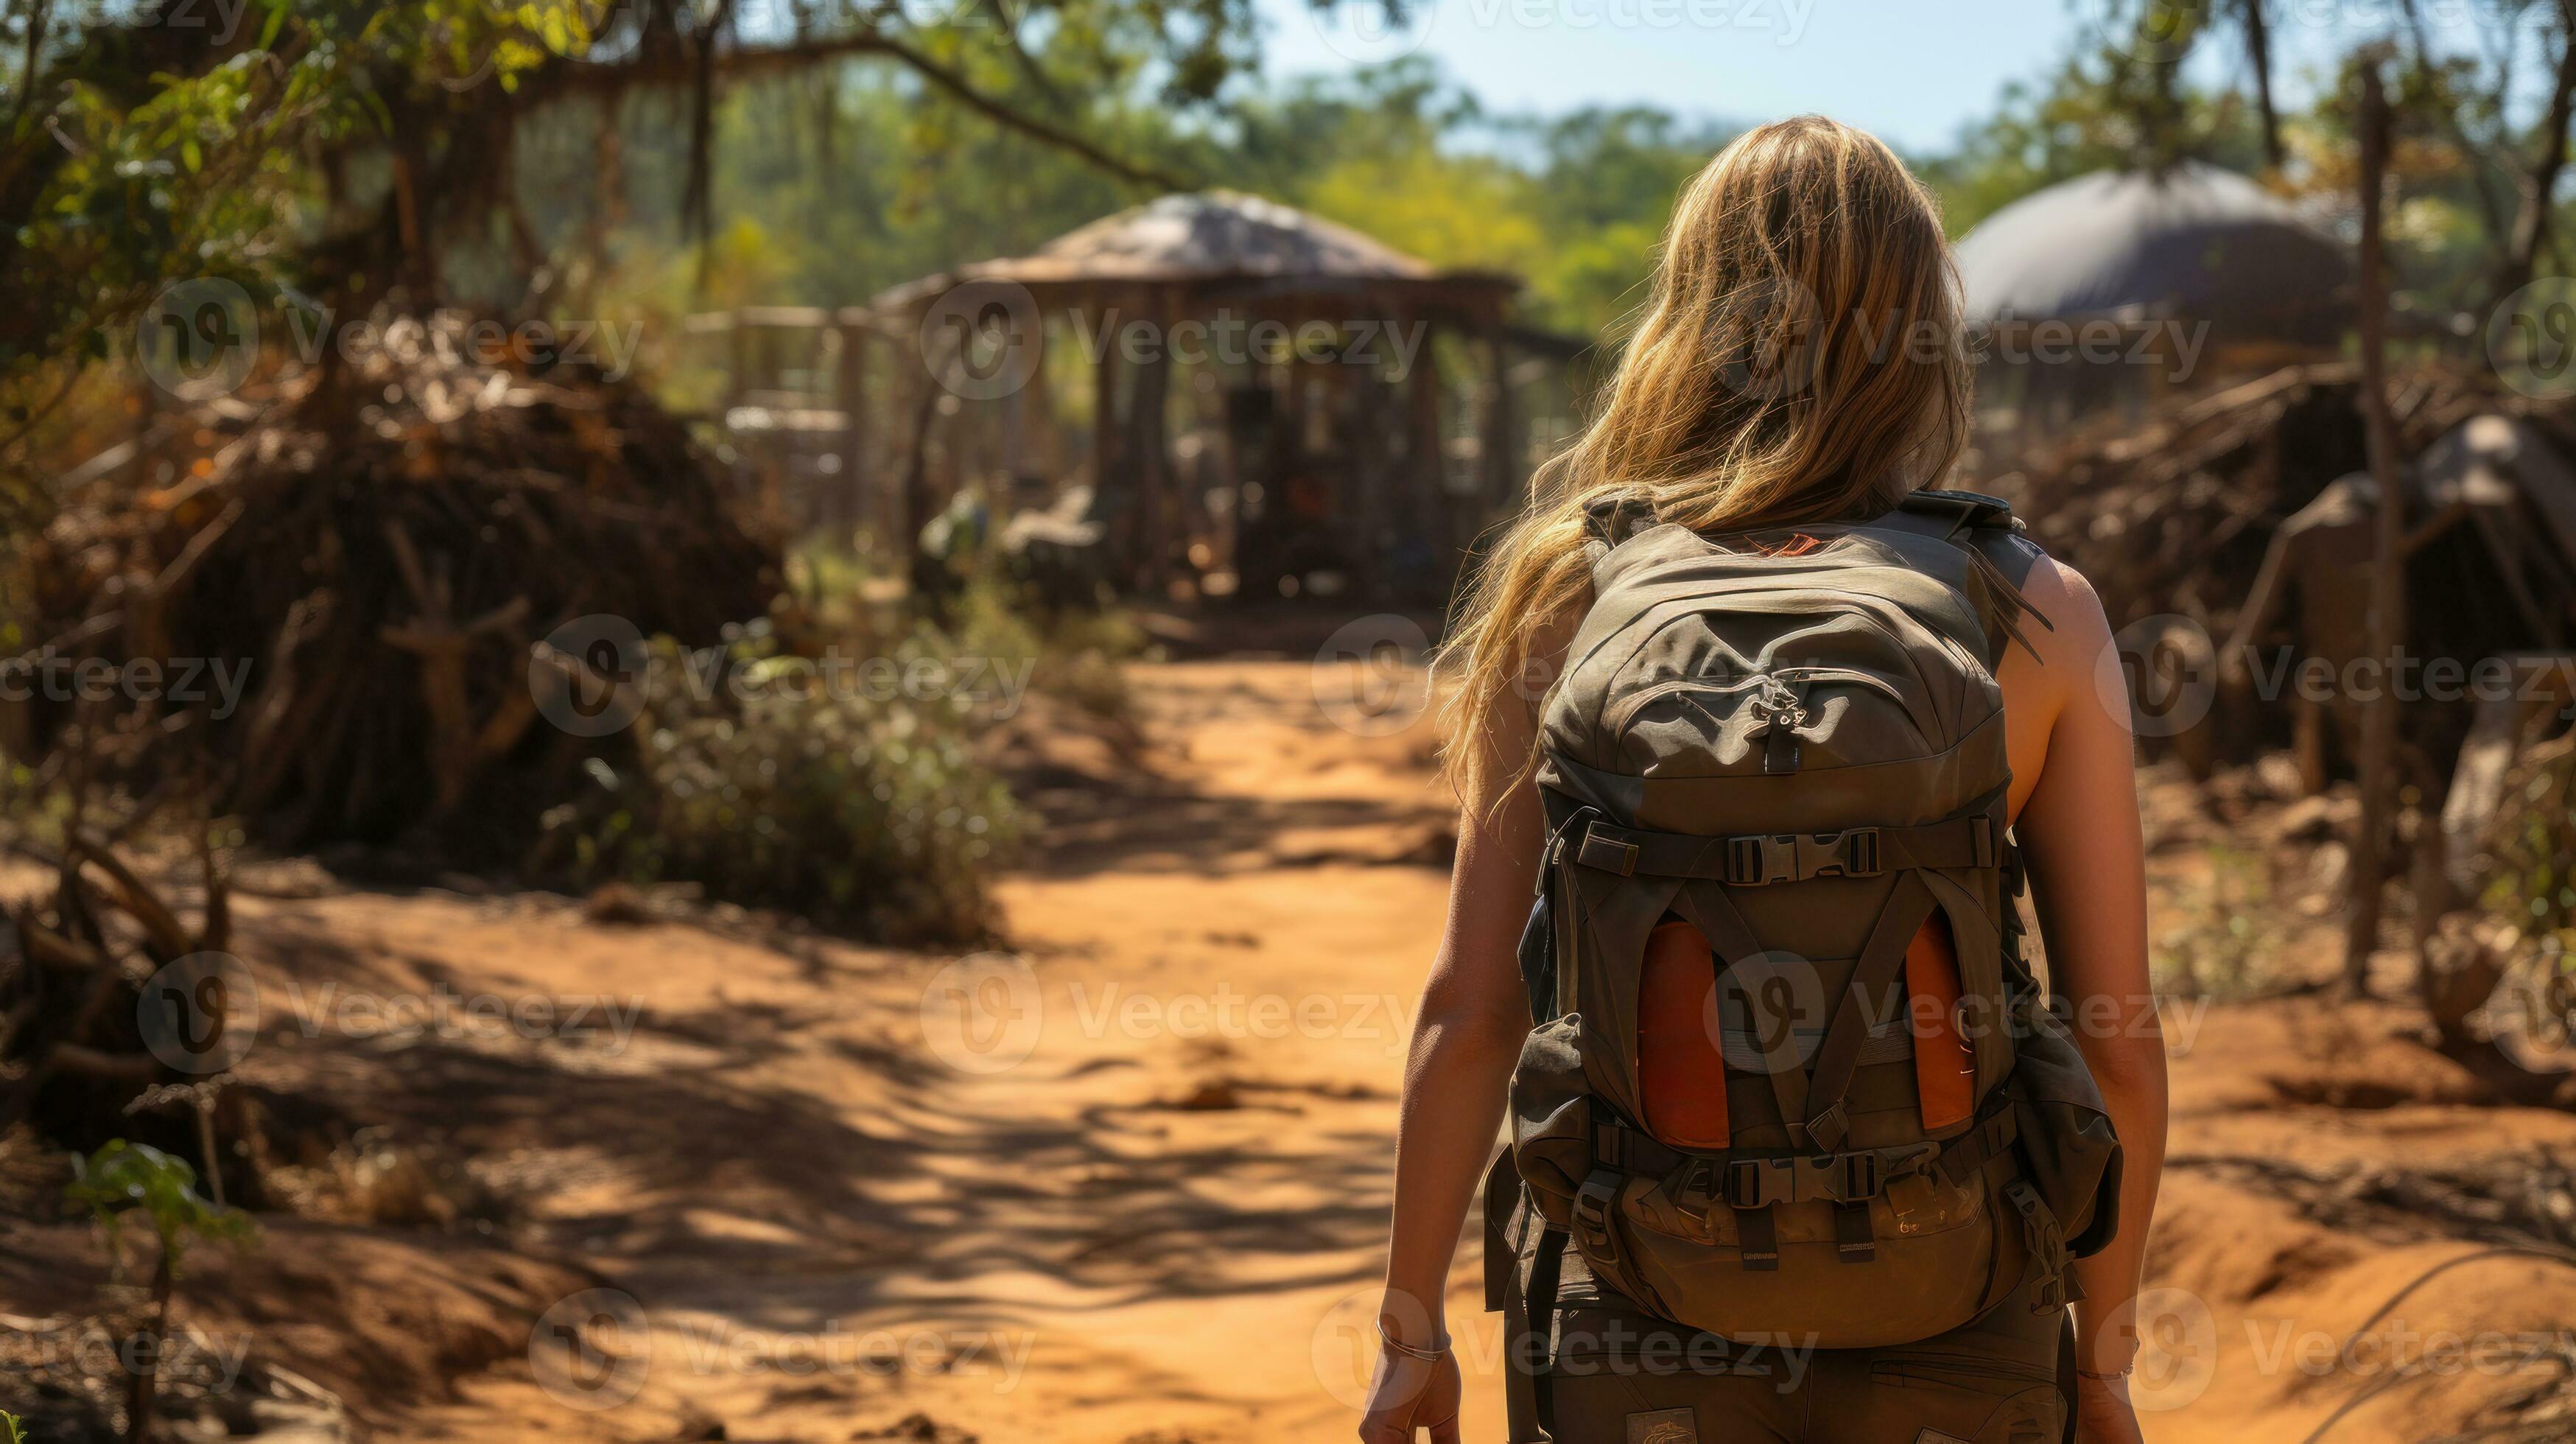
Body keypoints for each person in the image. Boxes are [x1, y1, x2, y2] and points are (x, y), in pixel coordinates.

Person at [1355, 116, 2166, 1444]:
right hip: (1962, 1312)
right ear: (1920, 329)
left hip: (1634, 1311)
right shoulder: (2034, 609)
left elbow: (1472, 1008)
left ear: (1688, 311)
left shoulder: (1570, 596)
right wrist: (2105, 1360)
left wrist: (1410, 1331)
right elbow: (2115, 1041)